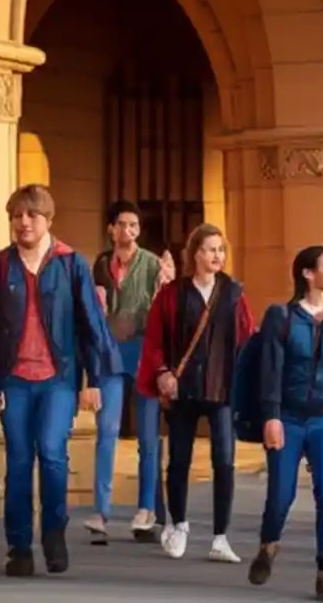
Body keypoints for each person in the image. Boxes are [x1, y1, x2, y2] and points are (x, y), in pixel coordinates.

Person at [0, 184, 117, 577]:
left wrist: (94, 379)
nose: (23, 223)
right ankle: (19, 546)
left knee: (52, 455)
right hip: (13, 380)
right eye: (17, 216)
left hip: (59, 379)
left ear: (48, 220)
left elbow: (91, 325)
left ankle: (54, 534)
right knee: (18, 462)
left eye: (31, 215)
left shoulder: (71, 263)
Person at [249, 245, 323, 603]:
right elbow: (270, 371)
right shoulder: (280, 317)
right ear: (308, 274)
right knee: (281, 495)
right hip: (288, 419)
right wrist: (271, 416)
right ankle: (269, 545)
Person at [136, 223, 253, 563]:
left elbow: (247, 339)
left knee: (225, 460)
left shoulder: (233, 293)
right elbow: (155, 339)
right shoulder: (173, 294)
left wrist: (249, 383)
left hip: (222, 387)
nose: (217, 255)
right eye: (210, 249)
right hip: (182, 388)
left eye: (221, 250)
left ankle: (220, 536)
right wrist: (161, 373)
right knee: (180, 460)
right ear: (195, 253)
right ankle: (179, 524)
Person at [86, 200, 174, 543]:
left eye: (134, 225)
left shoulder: (152, 264)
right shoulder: (101, 264)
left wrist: (166, 284)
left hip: (143, 352)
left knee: (148, 436)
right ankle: (101, 511)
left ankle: (146, 509)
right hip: (109, 353)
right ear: (111, 228)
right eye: (122, 224)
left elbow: (164, 309)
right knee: (106, 430)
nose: (128, 231)